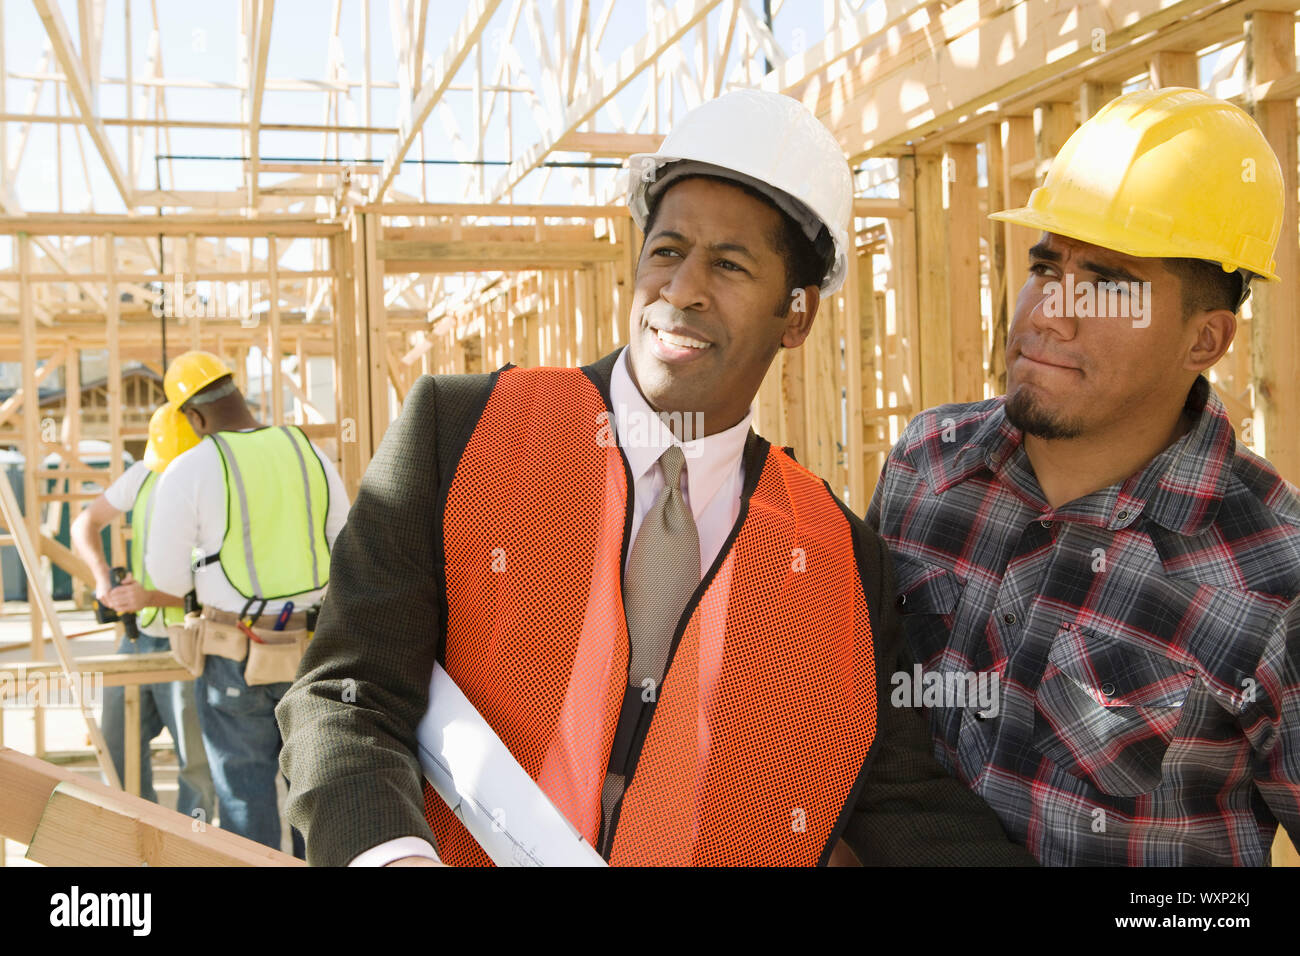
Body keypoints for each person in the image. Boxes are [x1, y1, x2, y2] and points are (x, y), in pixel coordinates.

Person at [276, 89, 1035, 867]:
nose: (682, 289)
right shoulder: (462, 430)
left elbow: (895, 796)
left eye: (730, 265)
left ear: (798, 314)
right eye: (667, 251)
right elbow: (346, 698)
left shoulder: (839, 557)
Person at [867, 87, 1300, 865]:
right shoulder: (927, 467)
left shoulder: (1274, 581)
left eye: (1106, 284)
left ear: (1205, 341)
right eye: (1045, 266)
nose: (1046, 314)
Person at [144, 351, 350, 854]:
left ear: (193, 417)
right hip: (312, 650)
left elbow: (165, 576)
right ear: (237, 394)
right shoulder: (310, 452)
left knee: (243, 802)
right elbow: (346, 545)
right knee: (312, 791)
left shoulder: (191, 467)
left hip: (233, 655)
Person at [70, 402, 216, 822]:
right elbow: (86, 523)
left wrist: (149, 598)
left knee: (197, 768)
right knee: (116, 750)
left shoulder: (213, 486)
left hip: (191, 643)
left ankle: (191, 850)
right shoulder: (145, 475)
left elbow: (221, 590)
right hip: (138, 640)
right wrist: (102, 578)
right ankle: (136, 842)